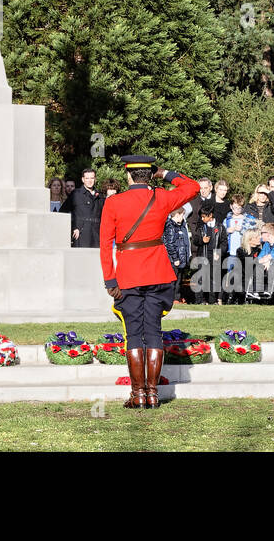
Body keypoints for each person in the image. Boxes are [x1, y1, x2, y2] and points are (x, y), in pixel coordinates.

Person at [100, 155, 199, 410]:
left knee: (134, 333)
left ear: (129, 175)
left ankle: (137, 394)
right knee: (153, 330)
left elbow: (104, 245)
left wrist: (109, 279)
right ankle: (152, 394)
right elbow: (192, 187)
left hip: (128, 276)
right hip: (158, 273)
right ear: (149, 174)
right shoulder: (161, 197)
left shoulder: (114, 202)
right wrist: (165, 173)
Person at [61, 168, 104, 248]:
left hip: (97, 236)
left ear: (95, 179)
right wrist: (73, 228)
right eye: (87, 178)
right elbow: (63, 212)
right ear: (83, 179)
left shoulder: (100, 196)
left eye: (92, 178)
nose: (89, 180)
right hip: (80, 236)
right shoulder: (76, 194)